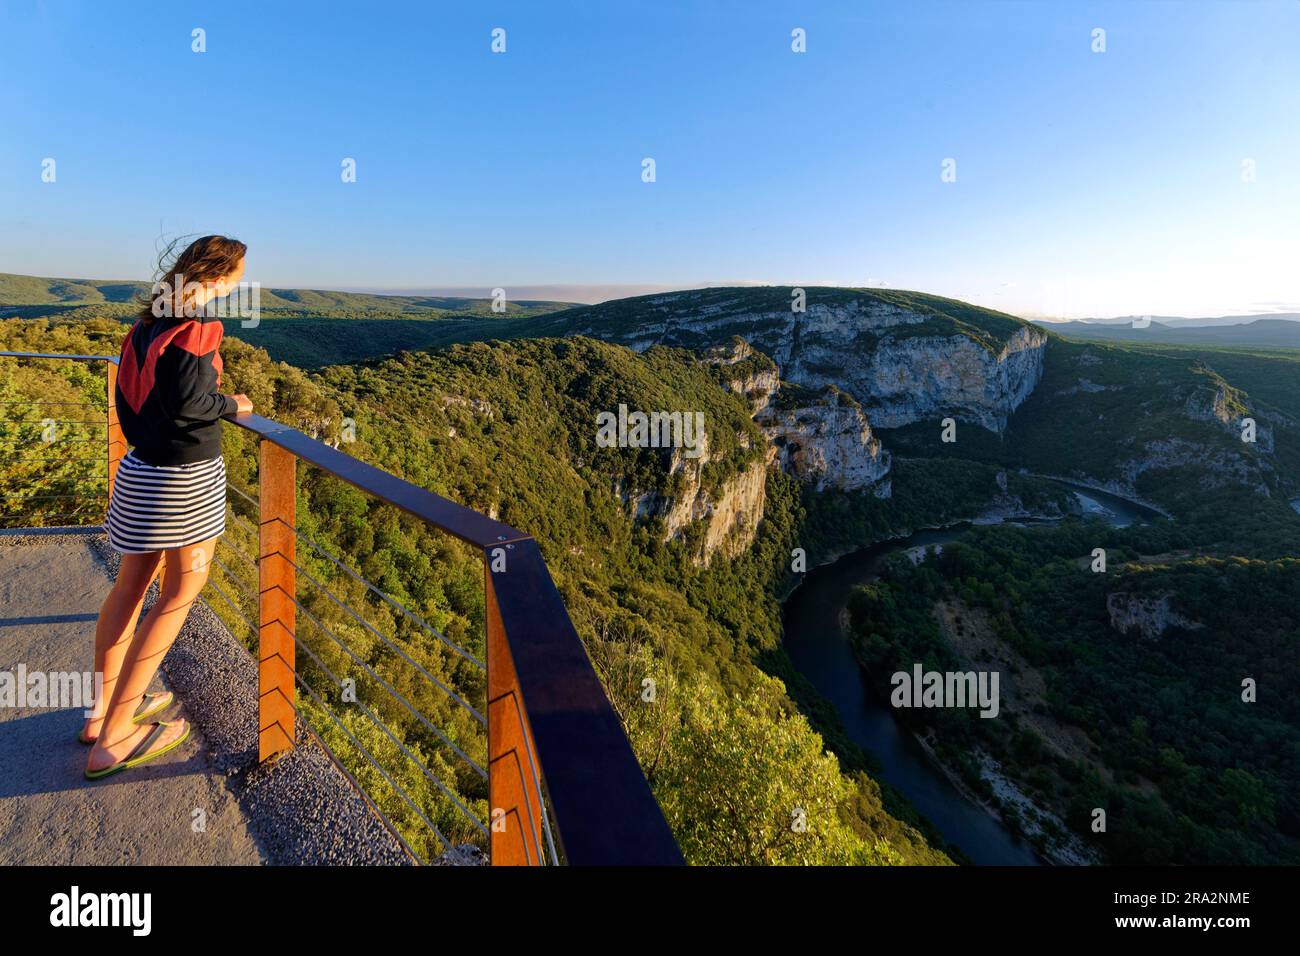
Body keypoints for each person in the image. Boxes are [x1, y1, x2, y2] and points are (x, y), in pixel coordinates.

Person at [83, 235, 253, 779]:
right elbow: (190, 402)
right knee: (180, 593)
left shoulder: (144, 327)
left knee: (130, 588)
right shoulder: (198, 330)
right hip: (184, 479)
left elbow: (145, 400)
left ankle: (103, 712)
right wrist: (234, 404)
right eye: (239, 274)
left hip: (139, 470)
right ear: (219, 276)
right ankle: (113, 740)